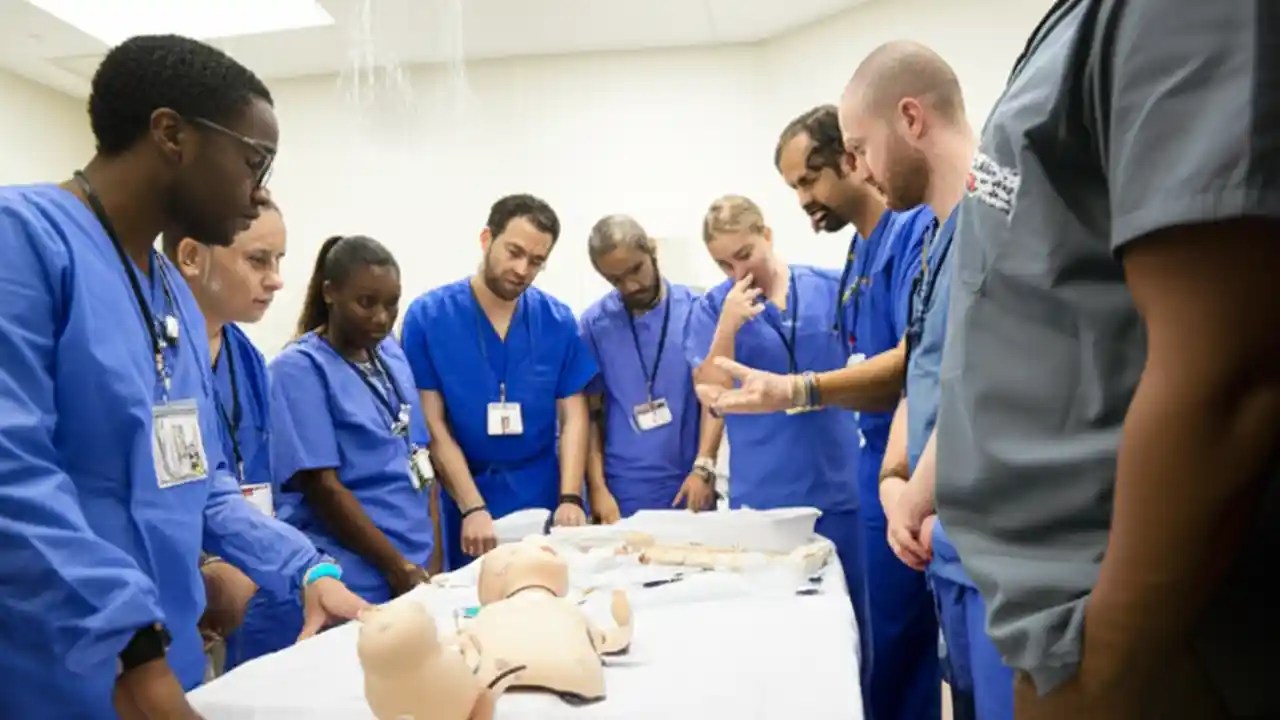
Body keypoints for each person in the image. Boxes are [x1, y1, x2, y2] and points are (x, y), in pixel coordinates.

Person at [0, 34, 364, 719]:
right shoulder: (22, 241)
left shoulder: (167, 291)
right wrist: (130, 648)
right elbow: (11, 479)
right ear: (171, 134)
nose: (258, 191)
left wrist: (304, 567)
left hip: (170, 662)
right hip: (62, 671)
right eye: (253, 160)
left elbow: (199, 482)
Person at [933, 3, 1279, 718]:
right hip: (1071, 631)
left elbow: (1230, 372)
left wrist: (1109, 670)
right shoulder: (1082, 26)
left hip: (1151, 644)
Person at [840, 42, 1014, 720]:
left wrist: (918, 489)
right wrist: (895, 480)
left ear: (910, 118)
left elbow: (991, 367)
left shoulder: (1003, 209)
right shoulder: (936, 240)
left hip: (1003, 553)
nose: (862, 170)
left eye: (862, 147)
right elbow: (925, 369)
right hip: (947, 546)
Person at [774, 105, 938, 720]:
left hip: (912, 466)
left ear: (851, 157)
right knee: (879, 642)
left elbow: (915, 361)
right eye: (794, 187)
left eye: (808, 180)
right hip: (876, 469)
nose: (803, 199)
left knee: (903, 646)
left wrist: (798, 390)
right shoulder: (857, 255)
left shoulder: (914, 229)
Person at [684, 194, 871, 687]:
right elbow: (711, 392)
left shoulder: (832, 288)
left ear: (767, 234)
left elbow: (874, 368)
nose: (736, 269)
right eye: (723, 262)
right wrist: (728, 325)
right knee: (777, 637)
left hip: (840, 489)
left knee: (854, 632)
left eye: (745, 254)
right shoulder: (712, 309)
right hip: (764, 499)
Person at [254, 235, 437, 654]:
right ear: (330, 292)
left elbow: (419, 459)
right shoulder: (298, 370)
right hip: (349, 574)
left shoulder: (388, 354)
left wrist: (428, 563)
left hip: (409, 568)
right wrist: (397, 568)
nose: (381, 317)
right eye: (366, 302)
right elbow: (323, 488)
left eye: (392, 304)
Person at [401, 194, 597, 571]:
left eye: (536, 261)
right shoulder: (429, 318)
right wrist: (471, 505)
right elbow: (432, 424)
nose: (522, 269)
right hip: (470, 496)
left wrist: (571, 497)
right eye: (514, 252)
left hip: (543, 492)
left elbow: (574, 417)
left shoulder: (556, 321)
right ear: (486, 238)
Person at [164, 194, 287, 671]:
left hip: (242, 572)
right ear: (192, 257)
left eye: (278, 261)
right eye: (258, 260)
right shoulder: (152, 355)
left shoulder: (249, 360)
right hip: (171, 586)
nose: (276, 279)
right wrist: (201, 566)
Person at [578, 214, 720, 521]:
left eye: (635, 270)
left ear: (652, 250)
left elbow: (715, 399)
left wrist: (704, 467)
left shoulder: (697, 310)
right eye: (615, 280)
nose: (630, 286)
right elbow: (589, 415)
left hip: (689, 484)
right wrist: (598, 489)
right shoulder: (595, 325)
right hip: (621, 492)